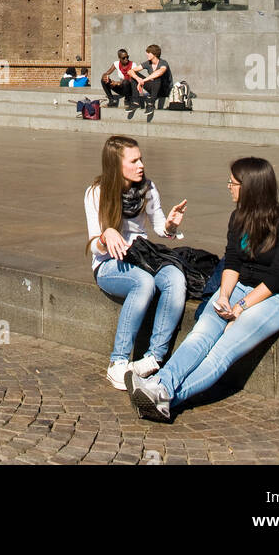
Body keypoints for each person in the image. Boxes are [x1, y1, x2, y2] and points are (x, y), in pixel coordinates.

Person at [128, 157, 279, 422]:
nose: (229, 187)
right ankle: (161, 382)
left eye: (233, 183)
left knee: (222, 351)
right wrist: (223, 295)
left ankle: (166, 397)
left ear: (251, 188)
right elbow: (233, 260)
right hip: (241, 286)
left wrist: (241, 307)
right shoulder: (238, 217)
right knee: (200, 335)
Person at [84, 135, 188, 390]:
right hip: (109, 264)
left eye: (140, 158)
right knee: (143, 283)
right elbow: (95, 245)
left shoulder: (147, 189)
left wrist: (170, 226)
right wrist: (106, 236)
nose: (141, 164)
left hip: (143, 257)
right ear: (116, 165)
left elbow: (159, 227)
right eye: (134, 160)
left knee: (176, 278)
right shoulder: (96, 192)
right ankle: (118, 362)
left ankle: (152, 358)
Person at [133, 45, 173, 111]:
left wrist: (143, 80)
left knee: (157, 76)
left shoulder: (163, 62)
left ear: (154, 54)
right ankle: (135, 102)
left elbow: (160, 72)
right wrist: (137, 78)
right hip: (154, 88)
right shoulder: (148, 63)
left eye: (149, 52)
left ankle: (151, 103)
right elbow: (131, 71)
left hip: (164, 90)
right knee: (134, 74)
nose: (146, 54)